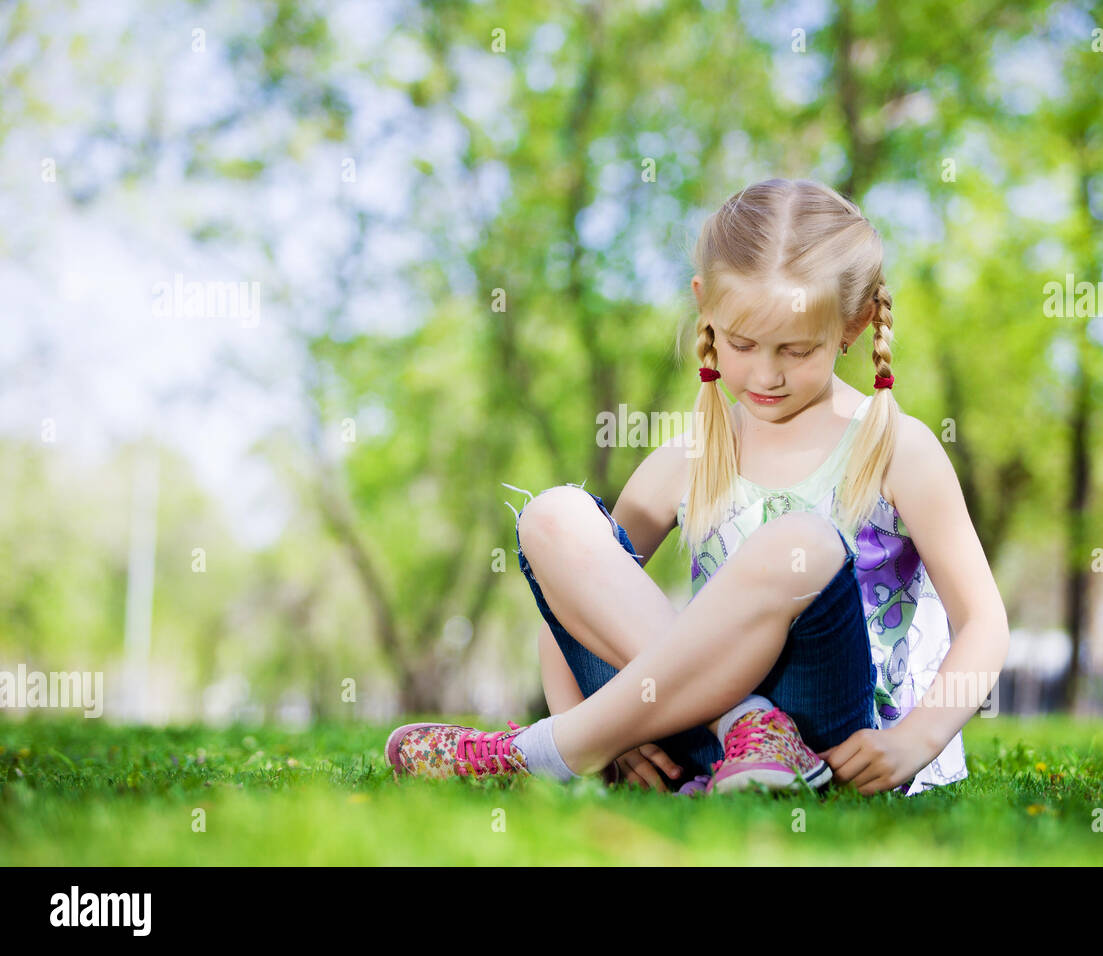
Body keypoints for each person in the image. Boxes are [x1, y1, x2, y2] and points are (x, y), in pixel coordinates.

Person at [385, 177, 1010, 797]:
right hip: (708, 734)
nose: (765, 374)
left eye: (795, 350)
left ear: (854, 324)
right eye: (743, 343)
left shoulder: (895, 445)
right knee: (554, 517)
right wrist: (617, 733)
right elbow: (575, 604)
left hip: (841, 738)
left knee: (799, 543)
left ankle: (544, 752)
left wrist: (917, 741)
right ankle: (725, 727)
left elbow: (983, 621)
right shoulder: (688, 455)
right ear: (705, 305)